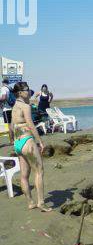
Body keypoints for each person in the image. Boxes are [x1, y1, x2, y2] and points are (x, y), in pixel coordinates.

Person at [10, 83, 49, 211]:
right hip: (27, 141)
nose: (29, 92)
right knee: (39, 171)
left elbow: (11, 126)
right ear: (20, 93)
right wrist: (40, 141)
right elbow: (31, 124)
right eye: (27, 90)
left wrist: (12, 141)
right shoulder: (25, 106)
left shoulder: (15, 106)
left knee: (24, 176)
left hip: (18, 143)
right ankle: (41, 203)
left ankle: (30, 202)